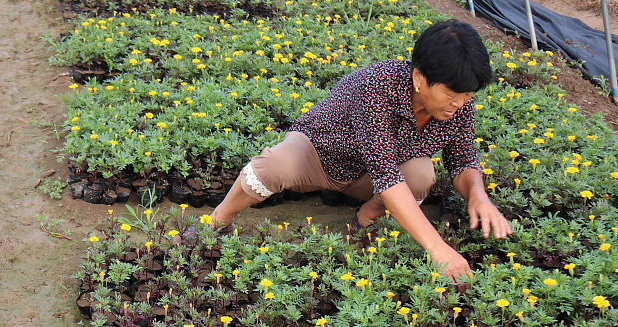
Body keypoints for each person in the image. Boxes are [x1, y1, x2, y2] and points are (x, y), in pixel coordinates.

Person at [208, 19, 511, 283]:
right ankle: (217, 220)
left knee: (421, 174)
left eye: (468, 95)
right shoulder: (376, 86)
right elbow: (386, 175)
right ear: (419, 78)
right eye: (451, 94)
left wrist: (477, 195)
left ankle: (364, 220)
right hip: (320, 154)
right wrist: (439, 248)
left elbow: (463, 159)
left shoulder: (459, 105)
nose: (459, 103)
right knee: (276, 165)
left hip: (369, 175)